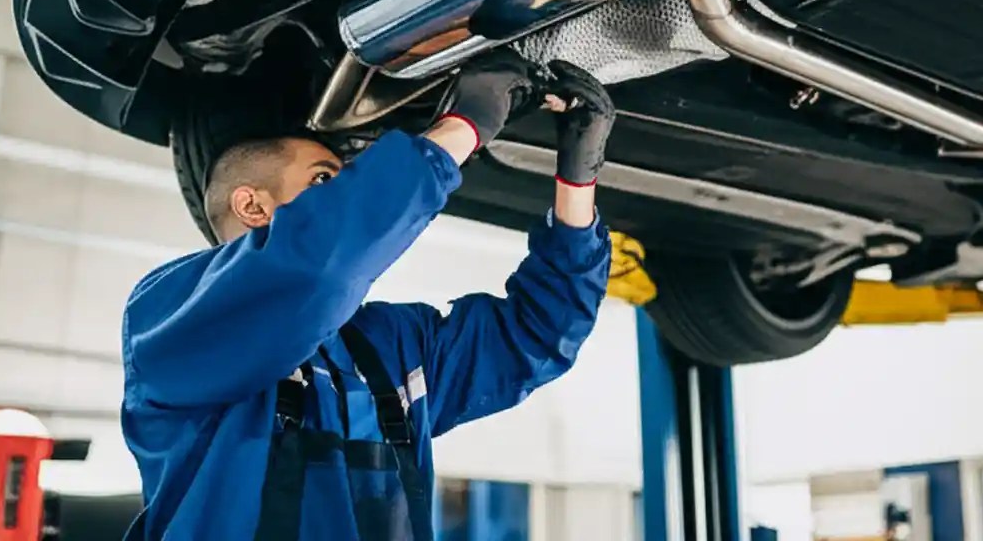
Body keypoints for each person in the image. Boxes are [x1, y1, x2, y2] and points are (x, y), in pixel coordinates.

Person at [119, 50, 615, 540]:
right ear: (252, 205)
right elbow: (315, 265)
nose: (347, 191)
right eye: (323, 181)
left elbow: (537, 334)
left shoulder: (389, 350)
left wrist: (577, 182)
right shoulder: (169, 322)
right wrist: (460, 127)